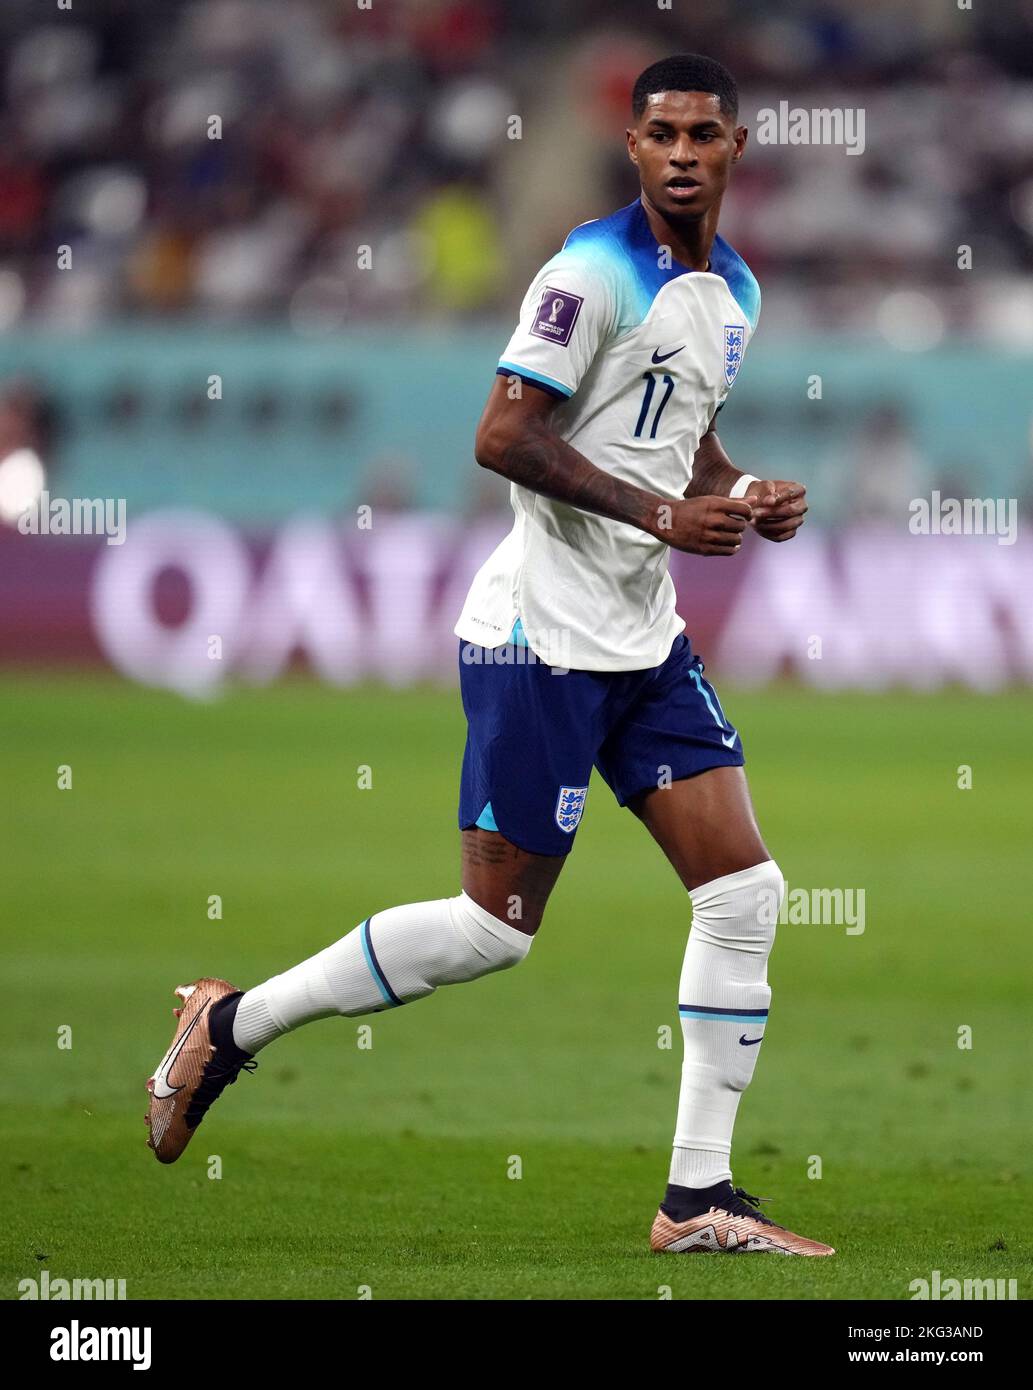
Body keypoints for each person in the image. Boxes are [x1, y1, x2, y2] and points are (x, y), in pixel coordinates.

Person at [144, 53, 830, 1258]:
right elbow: (502, 434)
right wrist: (665, 518)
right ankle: (231, 1021)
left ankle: (697, 1197)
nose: (681, 152)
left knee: (744, 891)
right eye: (660, 132)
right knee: (492, 931)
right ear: (631, 146)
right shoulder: (587, 272)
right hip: (539, 640)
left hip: (641, 639)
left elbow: (683, 434)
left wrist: (741, 489)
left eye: (703, 134)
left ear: (735, 149)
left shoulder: (734, 291)